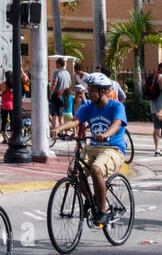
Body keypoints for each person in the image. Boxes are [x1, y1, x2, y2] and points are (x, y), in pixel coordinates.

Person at [74, 72, 127, 222]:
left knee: (96, 169)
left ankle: (102, 211)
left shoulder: (117, 106)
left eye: (91, 91)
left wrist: (105, 134)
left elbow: (116, 124)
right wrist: (58, 129)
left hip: (113, 148)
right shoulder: (88, 107)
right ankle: (91, 201)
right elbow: (76, 120)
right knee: (73, 172)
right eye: (88, 90)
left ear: (102, 91)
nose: (88, 93)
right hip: (93, 147)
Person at [49, 58, 71, 140]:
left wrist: (51, 92)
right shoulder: (67, 73)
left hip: (56, 95)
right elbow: (70, 83)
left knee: (55, 115)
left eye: (56, 63)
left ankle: (55, 132)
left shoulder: (56, 72)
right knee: (61, 115)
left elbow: (54, 83)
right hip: (65, 95)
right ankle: (62, 132)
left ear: (58, 64)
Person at [0, 70, 15, 144]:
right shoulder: (13, 84)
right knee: (13, 122)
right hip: (12, 105)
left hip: (4, 105)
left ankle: (4, 139)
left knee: (4, 121)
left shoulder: (1, 84)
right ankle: (12, 138)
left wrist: (3, 95)